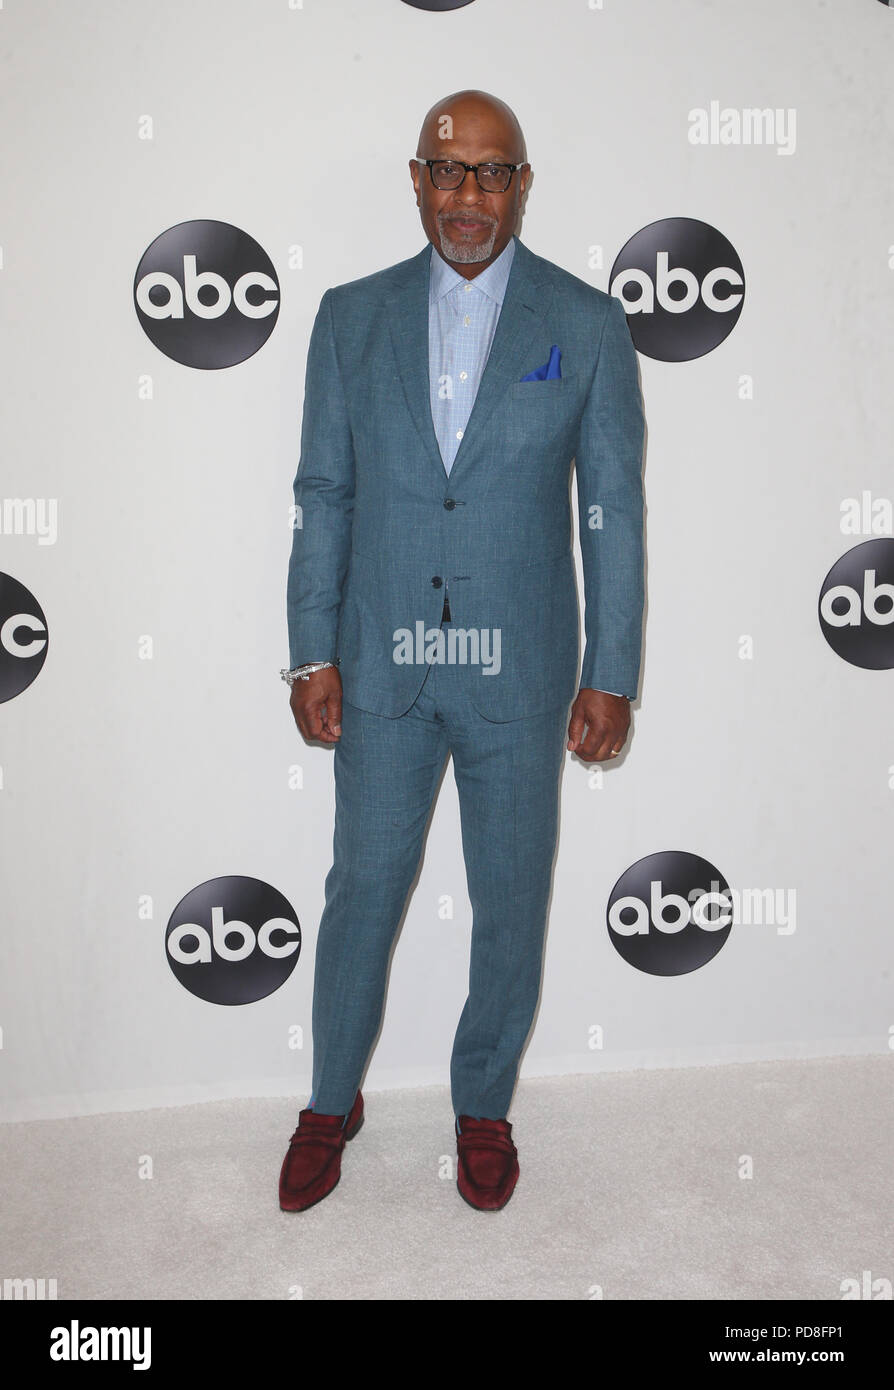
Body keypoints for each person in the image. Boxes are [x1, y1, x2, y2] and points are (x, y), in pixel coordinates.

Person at [279, 89, 645, 1213]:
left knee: (511, 899)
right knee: (362, 893)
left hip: (521, 678)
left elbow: (613, 512)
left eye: (492, 173)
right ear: (417, 181)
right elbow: (325, 493)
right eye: (449, 172)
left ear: (523, 184)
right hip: (380, 667)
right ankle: (329, 1101)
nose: (469, 196)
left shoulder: (585, 326)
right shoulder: (351, 317)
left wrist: (611, 671)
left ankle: (483, 1107)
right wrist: (309, 650)